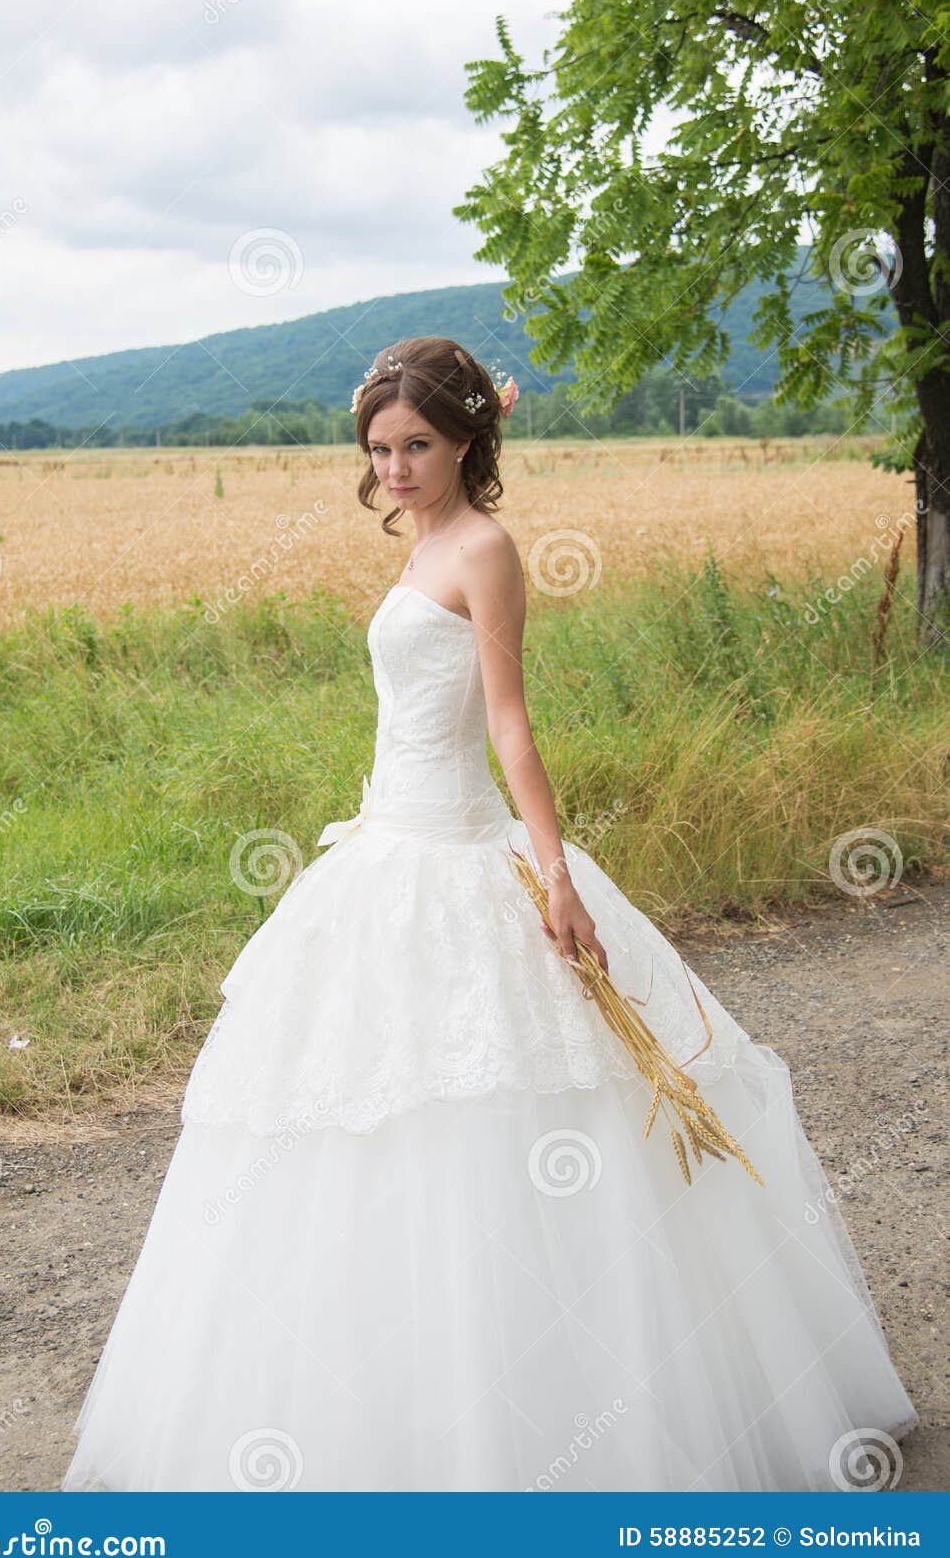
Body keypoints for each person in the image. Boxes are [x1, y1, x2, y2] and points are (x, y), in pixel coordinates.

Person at [61, 336, 918, 1493]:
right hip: (383, 855)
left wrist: (555, 872)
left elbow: (509, 724)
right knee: (349, 1110)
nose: (397, 466)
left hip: (466, 852)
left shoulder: (488, 551)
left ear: (469, 441)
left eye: (418, 445)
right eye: (380, 448)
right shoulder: (422, 547)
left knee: (511, 1112)